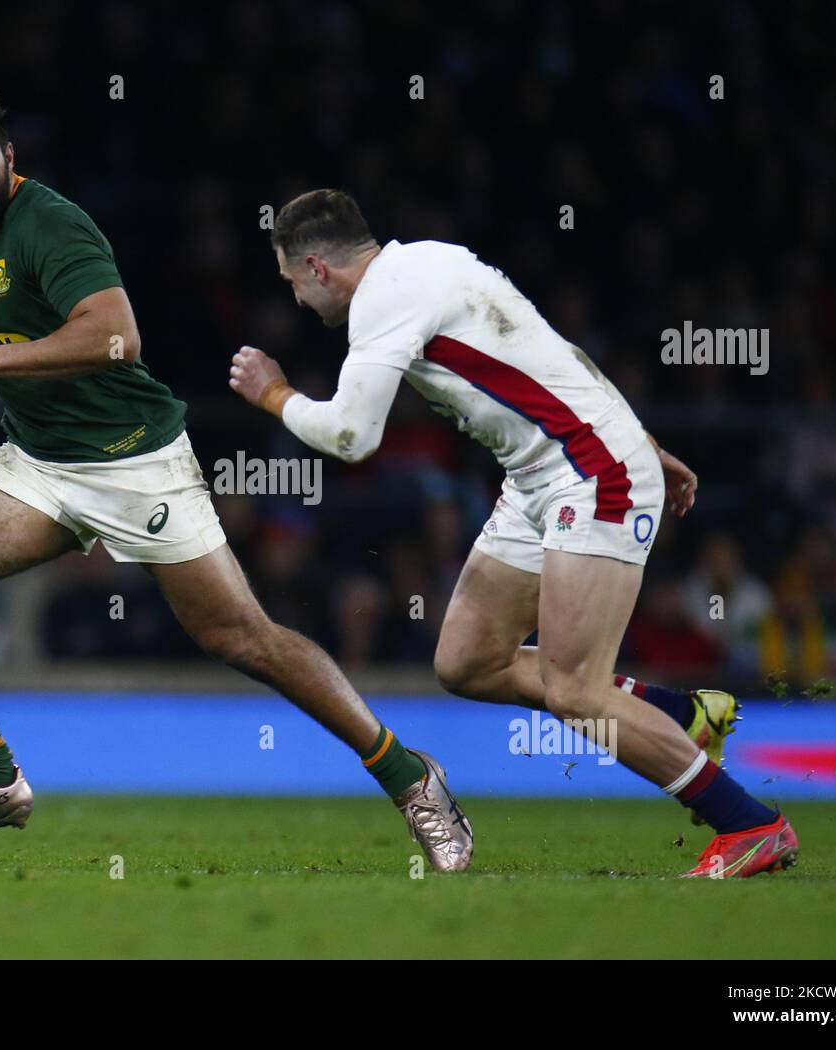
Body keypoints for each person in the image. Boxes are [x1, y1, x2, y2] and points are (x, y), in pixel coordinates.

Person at [0, 84, 472, 871]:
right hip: (37, 463)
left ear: (9, 159)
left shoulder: (52, 226)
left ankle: (412, 778)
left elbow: (116, 336)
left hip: (137, 460)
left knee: (244, 639)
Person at [229, 189, 797, 877]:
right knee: (468, 661)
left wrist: (272, 393)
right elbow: (556, 354)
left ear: (318, 267)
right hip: (544, 476)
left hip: (592, 475)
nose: (294, 300)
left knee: (574, 689)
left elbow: (352, 436)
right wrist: (639, 436)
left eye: (292, 282)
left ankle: (752, 825)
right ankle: (680, 716)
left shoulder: (384, 302)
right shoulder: (435, 260)